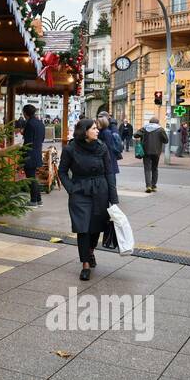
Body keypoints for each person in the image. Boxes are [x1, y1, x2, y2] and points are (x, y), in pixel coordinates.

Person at [58, 118, 118, 281]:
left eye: (97, 128)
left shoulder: (102, 147)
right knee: (82, 227)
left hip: (100, 190)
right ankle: (85, 263)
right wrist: (71, 189)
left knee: (96, 226)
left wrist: (114, 197)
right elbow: (62, 171)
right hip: (80, 191)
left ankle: (90, 251)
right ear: (84, 131)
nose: (97, 131)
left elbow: (109, 172)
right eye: (93, 128)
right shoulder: (70, 149)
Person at [21, 103, 46, 205]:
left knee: (31, 178)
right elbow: (42, 138)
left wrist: (22, 152)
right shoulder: (40, 123)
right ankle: (39, 200)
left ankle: (33, 200)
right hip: (37, 152)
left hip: (29, 154)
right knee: (33, 177)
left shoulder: (29, 124)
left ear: (25, 113)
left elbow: (28, 142)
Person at [134, 115, 166, 192]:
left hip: (146, 151)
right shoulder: (160, 129)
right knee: (155, 168)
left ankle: (148, 186)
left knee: (147, 169)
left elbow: (135, 135)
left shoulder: (145, 128)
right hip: (156, 152)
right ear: (157, 123)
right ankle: (154, 186)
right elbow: (166, 140)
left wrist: (141, 136)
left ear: (150, 122)